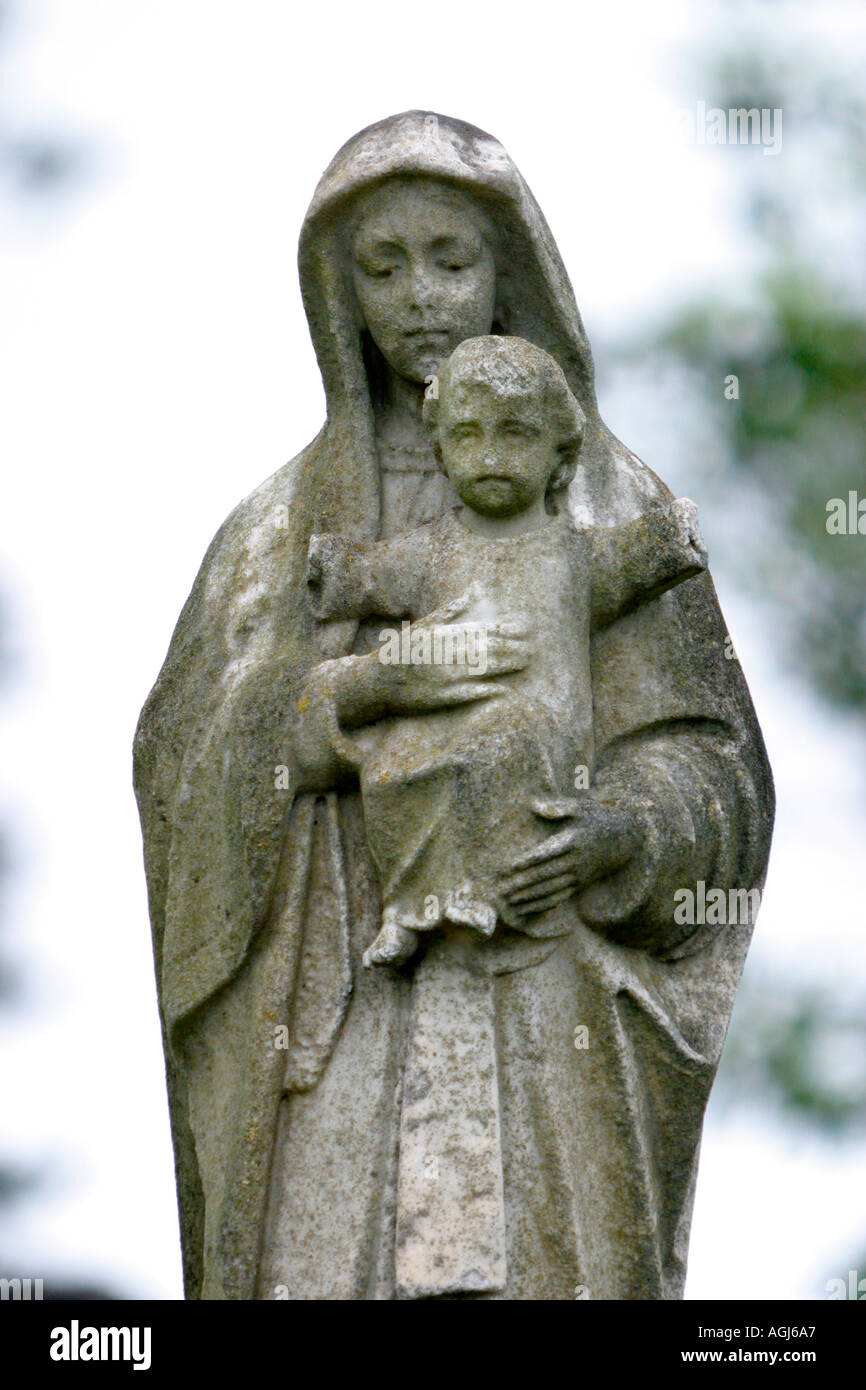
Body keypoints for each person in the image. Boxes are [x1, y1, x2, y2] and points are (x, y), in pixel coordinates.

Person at [134, 112, 774, 1300]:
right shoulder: (276, 532)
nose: (418, 296)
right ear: (337, 293)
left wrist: (624, 831)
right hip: (336, 1020)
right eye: (382, 266)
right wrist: (340, 703)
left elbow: (714, 760)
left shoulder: (606, 501)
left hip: (545, 990)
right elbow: (180, 769)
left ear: (507, 274)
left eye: (451, 259)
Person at [307, 335, 708, 972]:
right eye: (468, 435)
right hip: (446, 723)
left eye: (516, 434)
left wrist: (671, 541)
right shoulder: (431, 549)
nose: (490, 456)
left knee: (504, 748)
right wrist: (335, 578)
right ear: (441, 451)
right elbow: (365, 577)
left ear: (561, 458)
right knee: (388, 770)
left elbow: (632, 561)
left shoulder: (570, 552)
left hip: (537, 726)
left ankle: (483, 891)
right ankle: (411, 907)